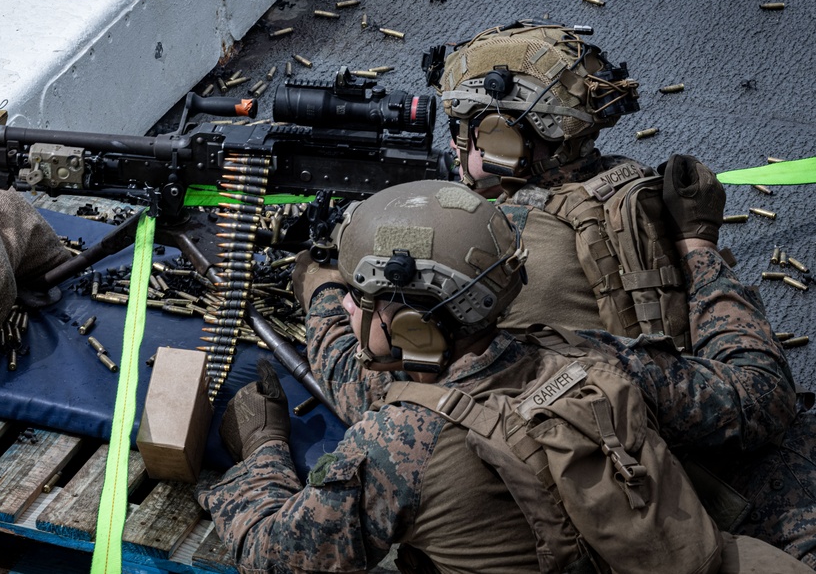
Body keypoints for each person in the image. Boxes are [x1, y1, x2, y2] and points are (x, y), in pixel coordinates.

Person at [198, 175, 803, 573]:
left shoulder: (396, 447)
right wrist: (698, 246)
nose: (351, 310)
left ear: (410, 324)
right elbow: (759, 399)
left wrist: (261, 450)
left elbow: (273, 554)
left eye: (360, 299)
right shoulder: (593, 354)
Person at [435, 20, 816, 567]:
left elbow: (759, 398)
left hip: (695, 506)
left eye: (465, 127)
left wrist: (327, 286)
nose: (455, 143)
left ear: (505, 137)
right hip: (754, 451)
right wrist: (700, 247)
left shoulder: (495, 251)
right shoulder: (629, 186)